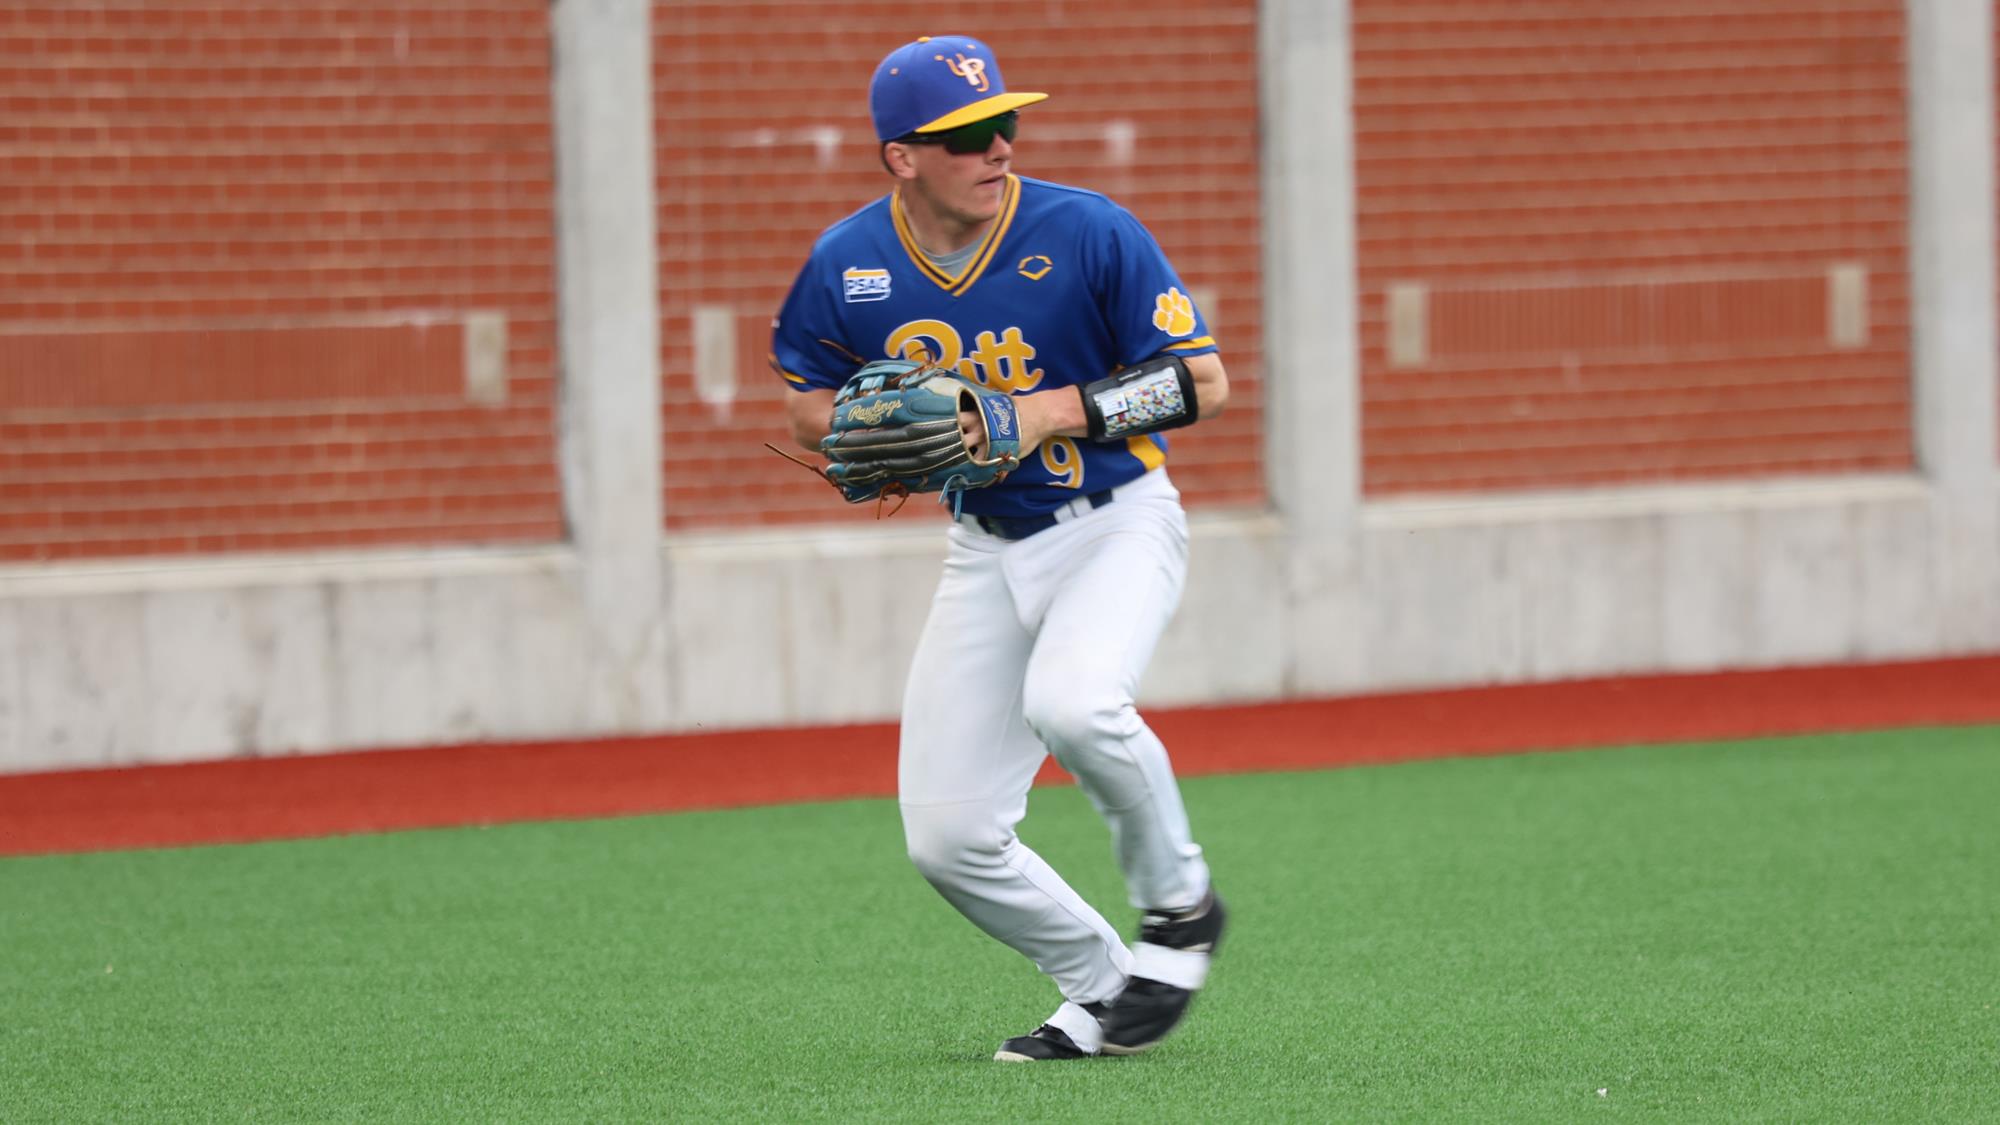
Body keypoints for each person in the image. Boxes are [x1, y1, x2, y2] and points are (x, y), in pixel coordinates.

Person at [771, 34, 1231, 1062]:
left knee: (1073, 703)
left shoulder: (1086, 232)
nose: (999, 146)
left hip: (1116, 520)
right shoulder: (849, 262)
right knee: (944, 834)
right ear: (901, 156)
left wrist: (1047, 410)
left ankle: (1179, 906)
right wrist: (861, 431)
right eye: (967, 135)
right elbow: (805, 401)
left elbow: (1198, 383)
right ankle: (1102, 985)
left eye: (1005, 123)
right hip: (984, 547)